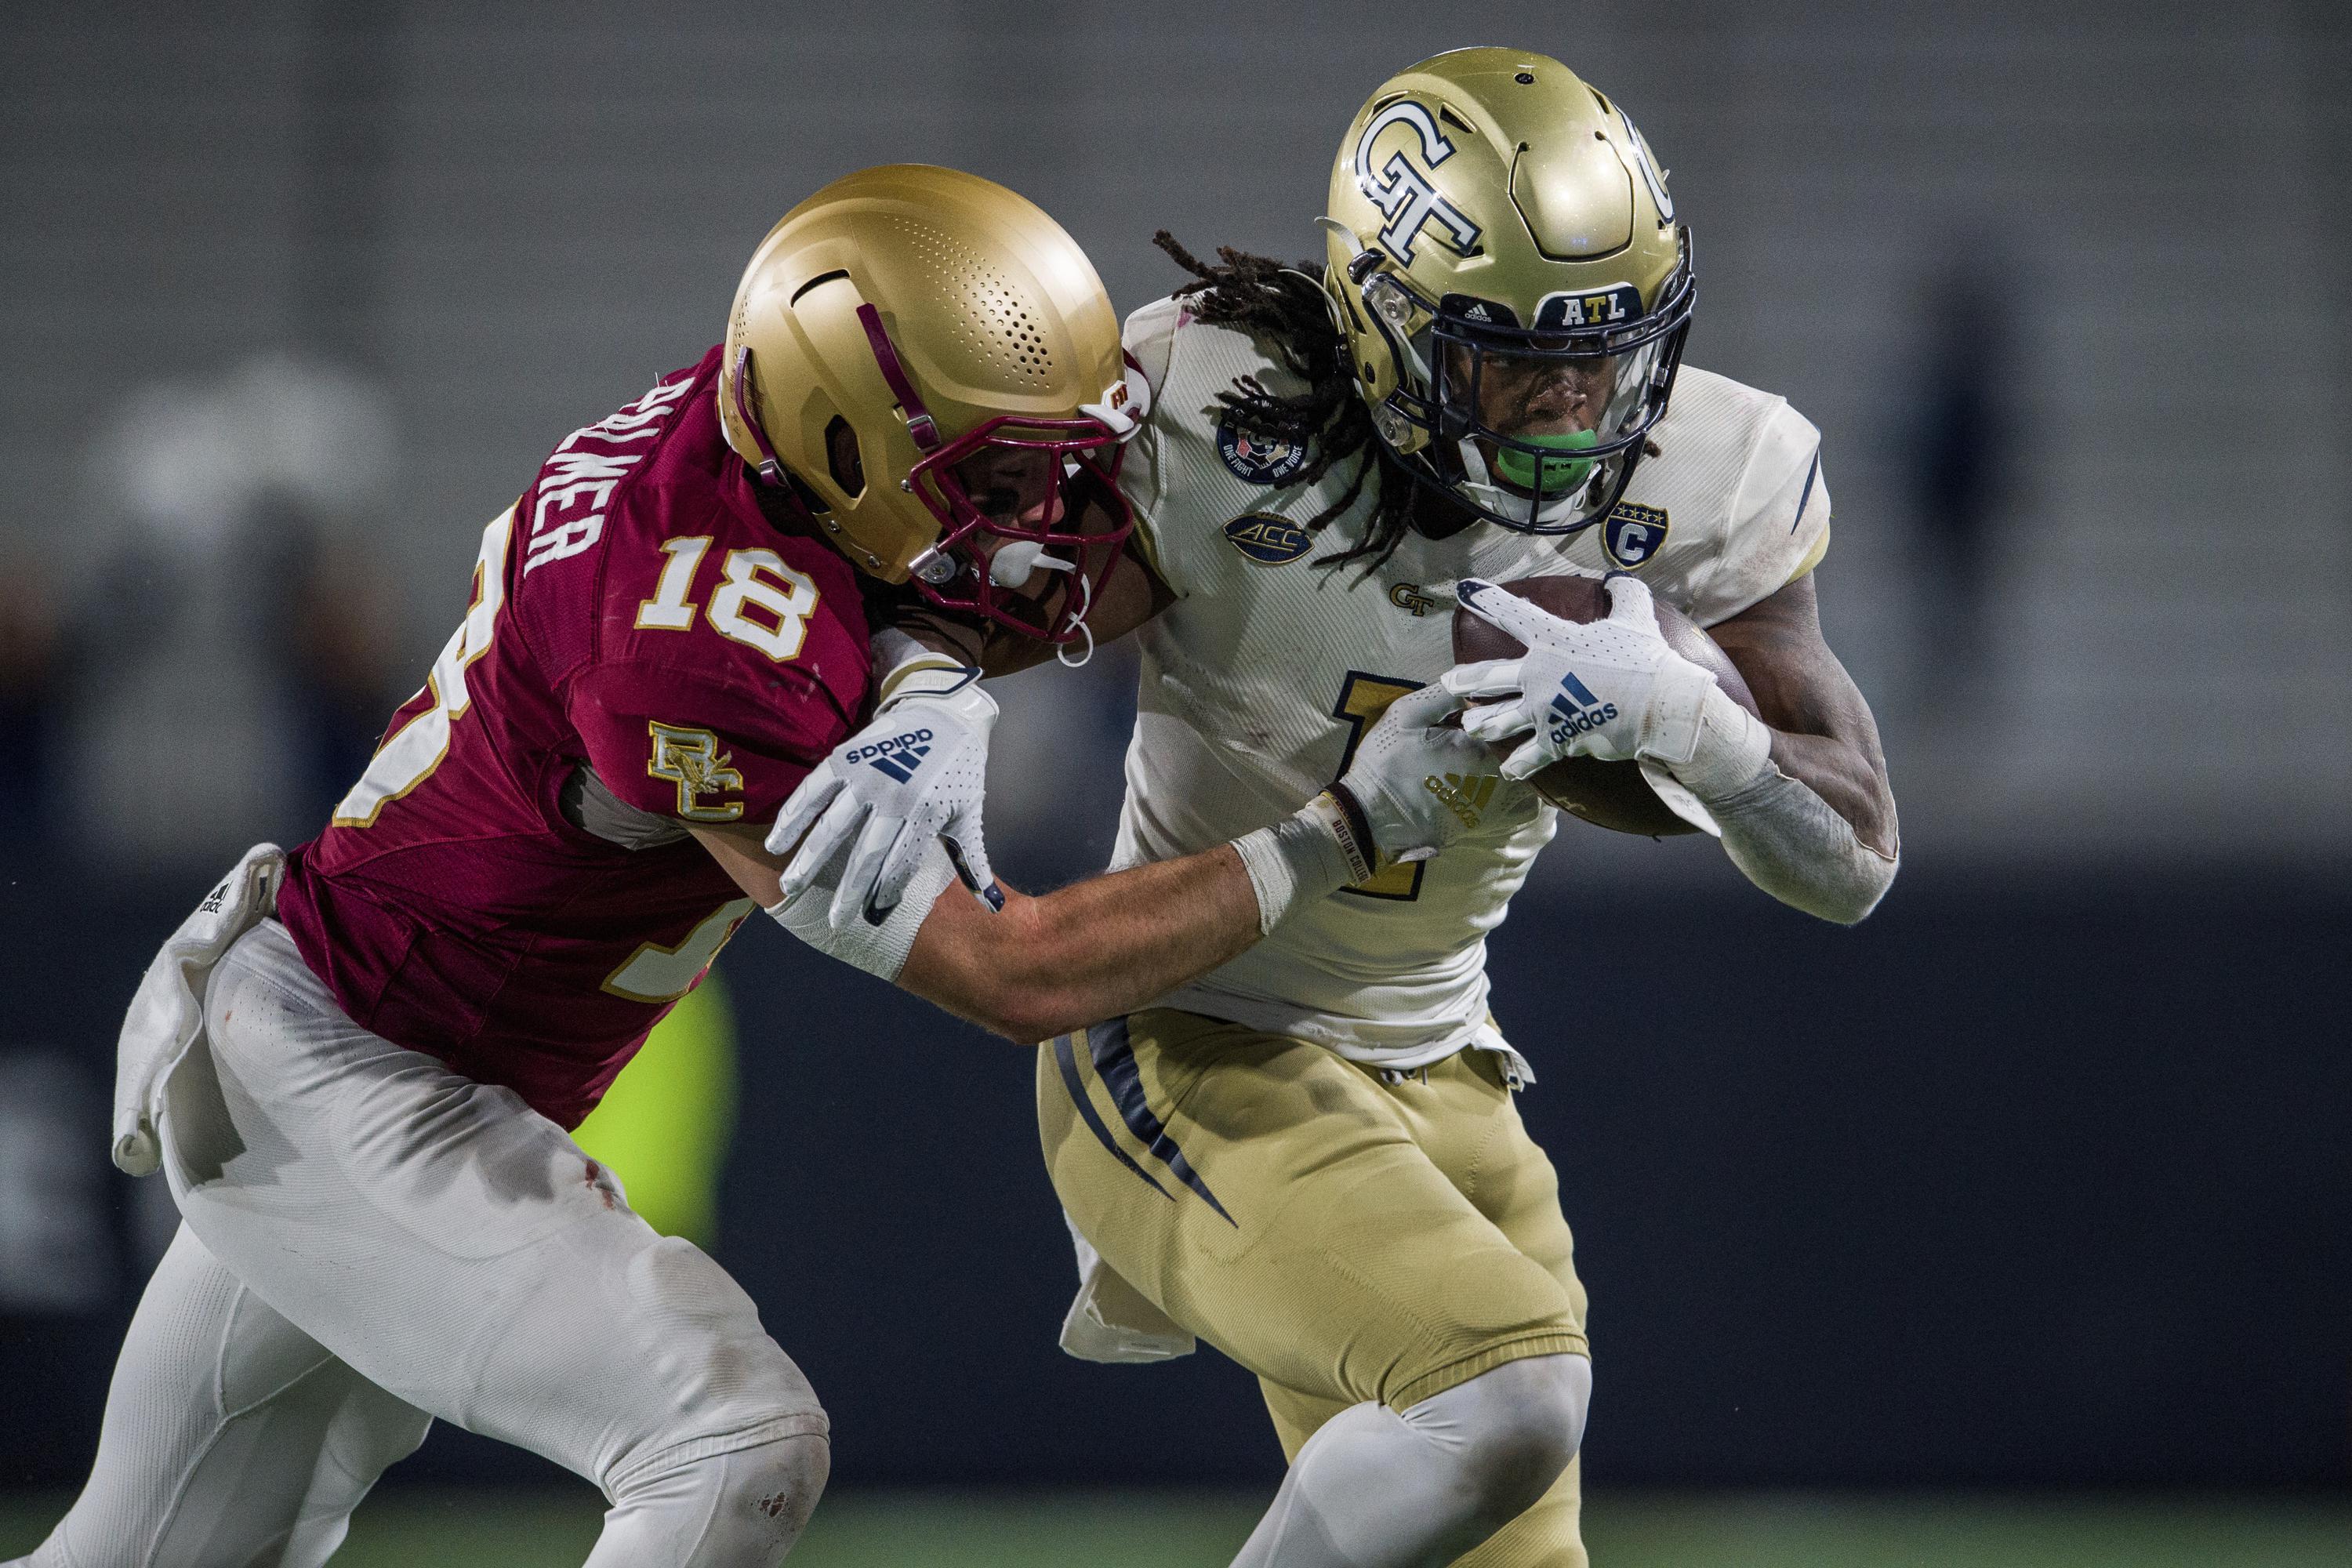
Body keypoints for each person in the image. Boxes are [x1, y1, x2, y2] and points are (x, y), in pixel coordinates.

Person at [10, 163, 1496, 1568]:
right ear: (855, 443)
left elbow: (889, 577)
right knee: (729, 1444)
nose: (1048, 522)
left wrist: (924, 673)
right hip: (353, 1077)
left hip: (342, 1041)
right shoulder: (687, 639)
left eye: (1059, 468)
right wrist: (1347, 828)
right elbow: (1008, 968)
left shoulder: (774, 436)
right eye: (1006, 481)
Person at [771, 49, 1900, 1568]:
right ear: (1387, 327)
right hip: (1192, 1033)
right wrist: (923, 687)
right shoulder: (1212, 415)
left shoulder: (1716, 467)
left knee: (1504, 1431)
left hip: (1448, 1065)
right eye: (1519, 362)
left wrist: (1696, 722)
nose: (1578, 409)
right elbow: (945, 578)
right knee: (1506, 1392)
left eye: (1610, 354)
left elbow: (1854, 863)